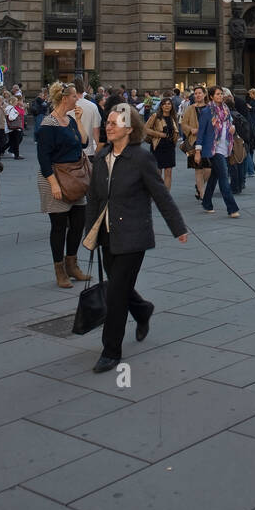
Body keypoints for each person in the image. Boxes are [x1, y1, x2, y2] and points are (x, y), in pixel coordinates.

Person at [85, 104, 188, 374]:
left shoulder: (141, 159)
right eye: (107, 122)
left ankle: (110, 351)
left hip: (133, 235)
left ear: (129, 129)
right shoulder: (102, 157)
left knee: (116, 292)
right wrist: (90, 234)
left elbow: (160, 194)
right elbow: (94, 198)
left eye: (114, 123)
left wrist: (178, 227)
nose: (108, 126)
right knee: (120, 284)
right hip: (107, 234)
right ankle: (142, 310)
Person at [35, 81, 93, 288]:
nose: (77, 98)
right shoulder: (47, 124)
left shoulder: (69, 120)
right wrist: (54, 185)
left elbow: (84, 142)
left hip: (75, 178)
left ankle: (72, 265)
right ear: (64, 98)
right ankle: (60, 270)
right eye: (74, 96)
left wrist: (78, 120)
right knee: (59, 226)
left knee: (78, 223)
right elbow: (43, 159)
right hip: (55, 178)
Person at [194, 86, 240, 217]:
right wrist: (198, 151)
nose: (220, 96)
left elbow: (230, 123)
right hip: (214, 149)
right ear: (211, 96)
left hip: (226, 146)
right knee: (224, 179)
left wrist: (233, 128)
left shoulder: (226, 108)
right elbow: (201, 132)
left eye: (221, 94)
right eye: (218, 94)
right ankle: (232, 208)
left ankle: (207, 202)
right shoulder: (207, 111)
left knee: (214, 176)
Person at [181, 85, 211, 200]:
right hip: (194, 141)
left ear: (204, 94)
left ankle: (199, 186)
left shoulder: (209, 108)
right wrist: (191, 129)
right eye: (196, 93)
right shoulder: (190, 108)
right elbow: (183, 124)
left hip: (207, 141)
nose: (197, 95)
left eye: (200, 93)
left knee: (208, 169)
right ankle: (202, 195)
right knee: (198, 169)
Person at [144, 95, 180, 190]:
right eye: (164, 104)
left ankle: (166, 196)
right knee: (158, 173)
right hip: (158, 146)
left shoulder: (173, 117)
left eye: (169, 104)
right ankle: (157, 193)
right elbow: (145, 129)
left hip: (170, 147)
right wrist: (159, 134)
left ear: (172, 106)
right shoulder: (156, 116)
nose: (167, 106)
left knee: (168, 172)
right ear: (161, 106)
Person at [74, 77, 102, 159]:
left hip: (70, 151)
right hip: (89, 151)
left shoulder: (67, 106)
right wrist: (98, 152)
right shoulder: (92, 106)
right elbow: (96, 132)